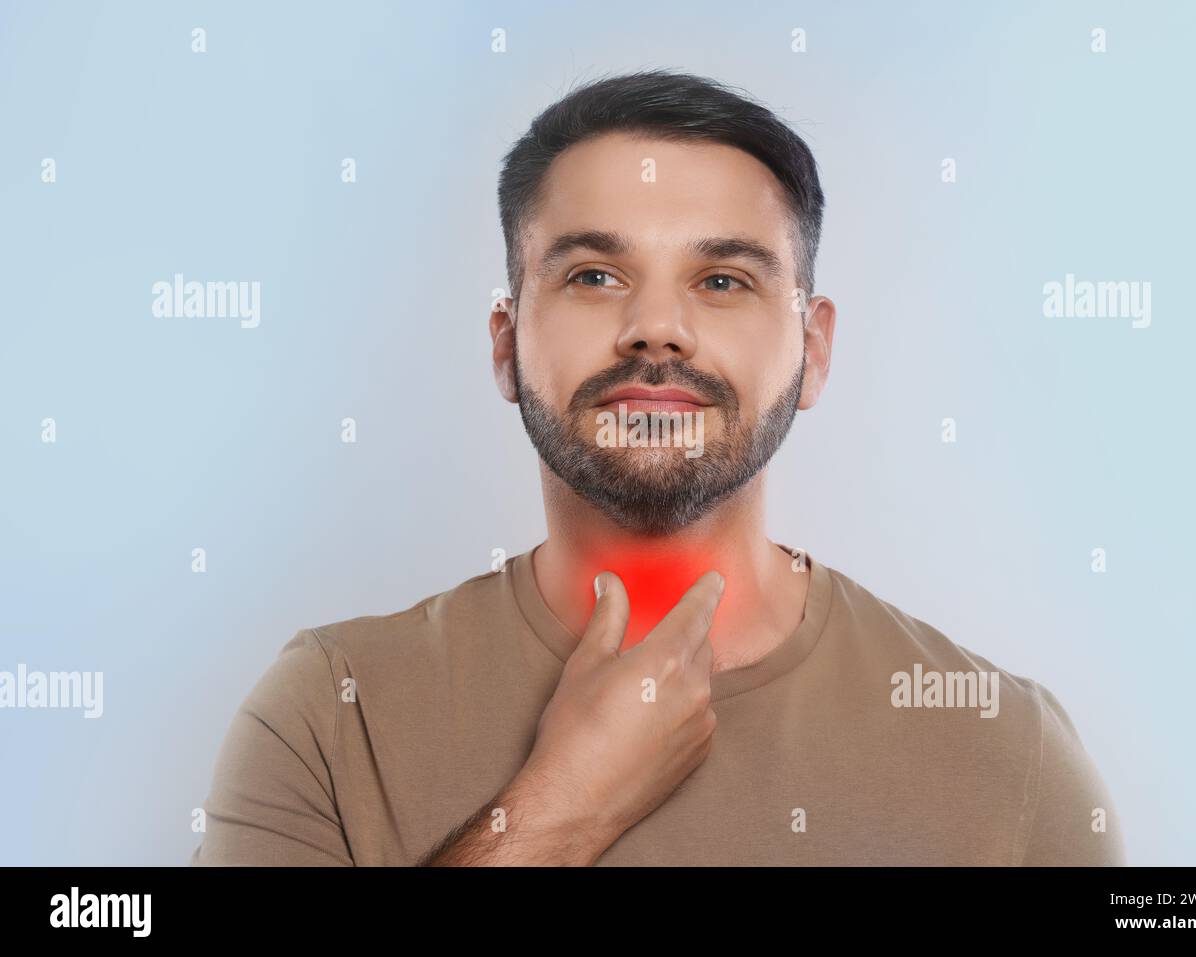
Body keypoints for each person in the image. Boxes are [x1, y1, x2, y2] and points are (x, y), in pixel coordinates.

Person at [191, 69, 1124, 866]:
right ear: (507, 344)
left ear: (815, 349)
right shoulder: (326, 716)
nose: (657, 326)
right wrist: (557, 809)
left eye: (723, 281)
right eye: (594, 274)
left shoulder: (1009, 755)